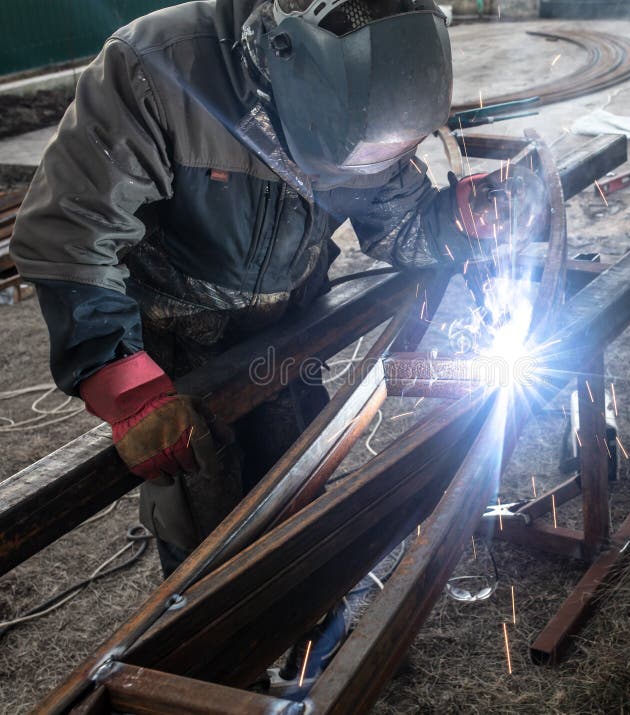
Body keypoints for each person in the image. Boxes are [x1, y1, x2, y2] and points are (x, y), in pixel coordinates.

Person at [11, 0, 540, 578]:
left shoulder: (367, 84)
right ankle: (214, 655)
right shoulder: (157, 69)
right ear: (286, 57)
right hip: (181, 346)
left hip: (291, 329)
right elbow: (69, 231)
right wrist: (120, 381)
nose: (366, 169)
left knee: (300, 477)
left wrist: (457, 218)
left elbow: (397, 219)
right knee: (208, 529)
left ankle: (307, 632)